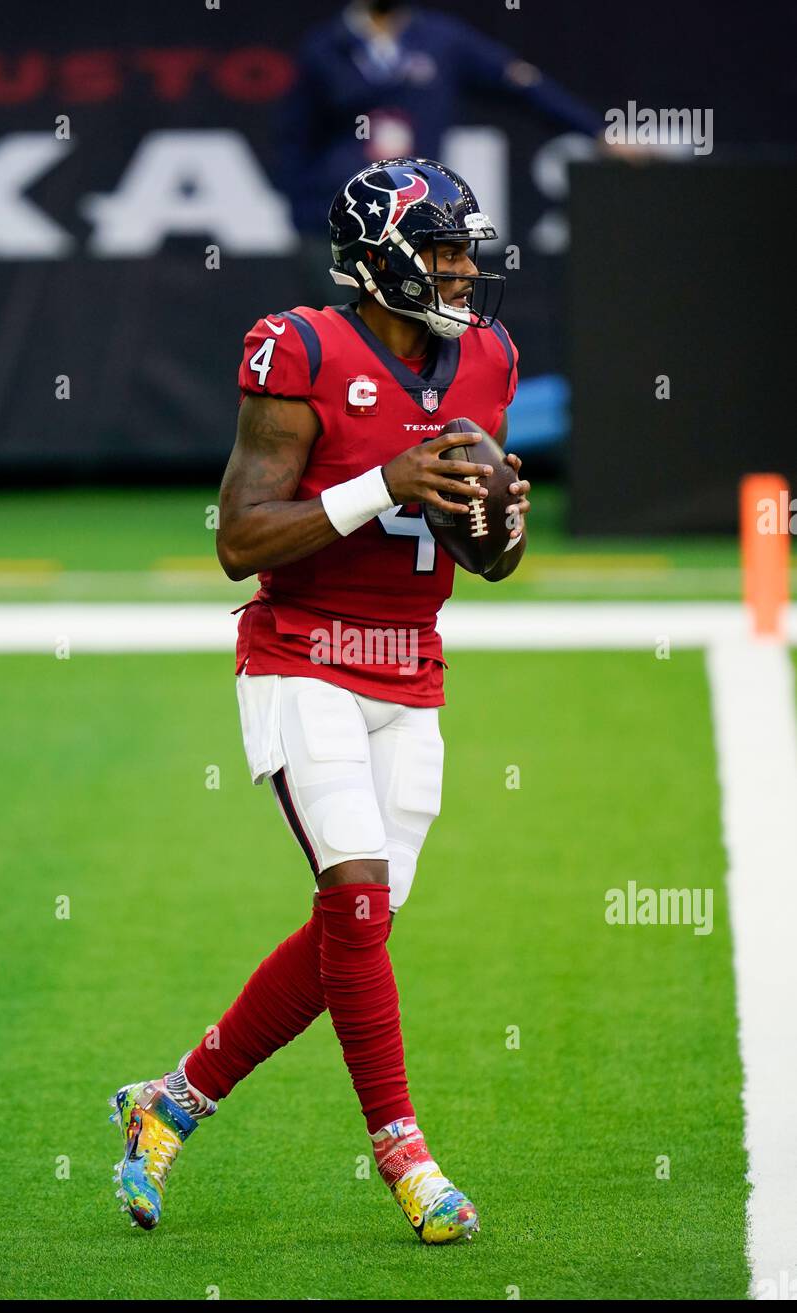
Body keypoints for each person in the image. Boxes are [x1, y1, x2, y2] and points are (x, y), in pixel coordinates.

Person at [109, 156, 531, 1245]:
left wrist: (498, 531)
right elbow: (241, 540)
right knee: (352, 897)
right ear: (376, 259)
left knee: (362, 924)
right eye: (437, 250)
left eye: (460, 249)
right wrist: (379, 483)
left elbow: (480, 560)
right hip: (300, 654)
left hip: (412, 662)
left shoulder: (486, 359)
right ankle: (404, 1151)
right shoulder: (297, 347)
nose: (458, 270)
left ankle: (173, 1099)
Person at [274, 0, 606, 304]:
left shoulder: (441, 39)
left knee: (413, 332)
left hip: (416, 217)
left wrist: (596, 131)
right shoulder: (325, 47)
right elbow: (292, 138)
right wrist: (307, 214)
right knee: (343, 334)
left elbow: (521, 85)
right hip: (340, 222)